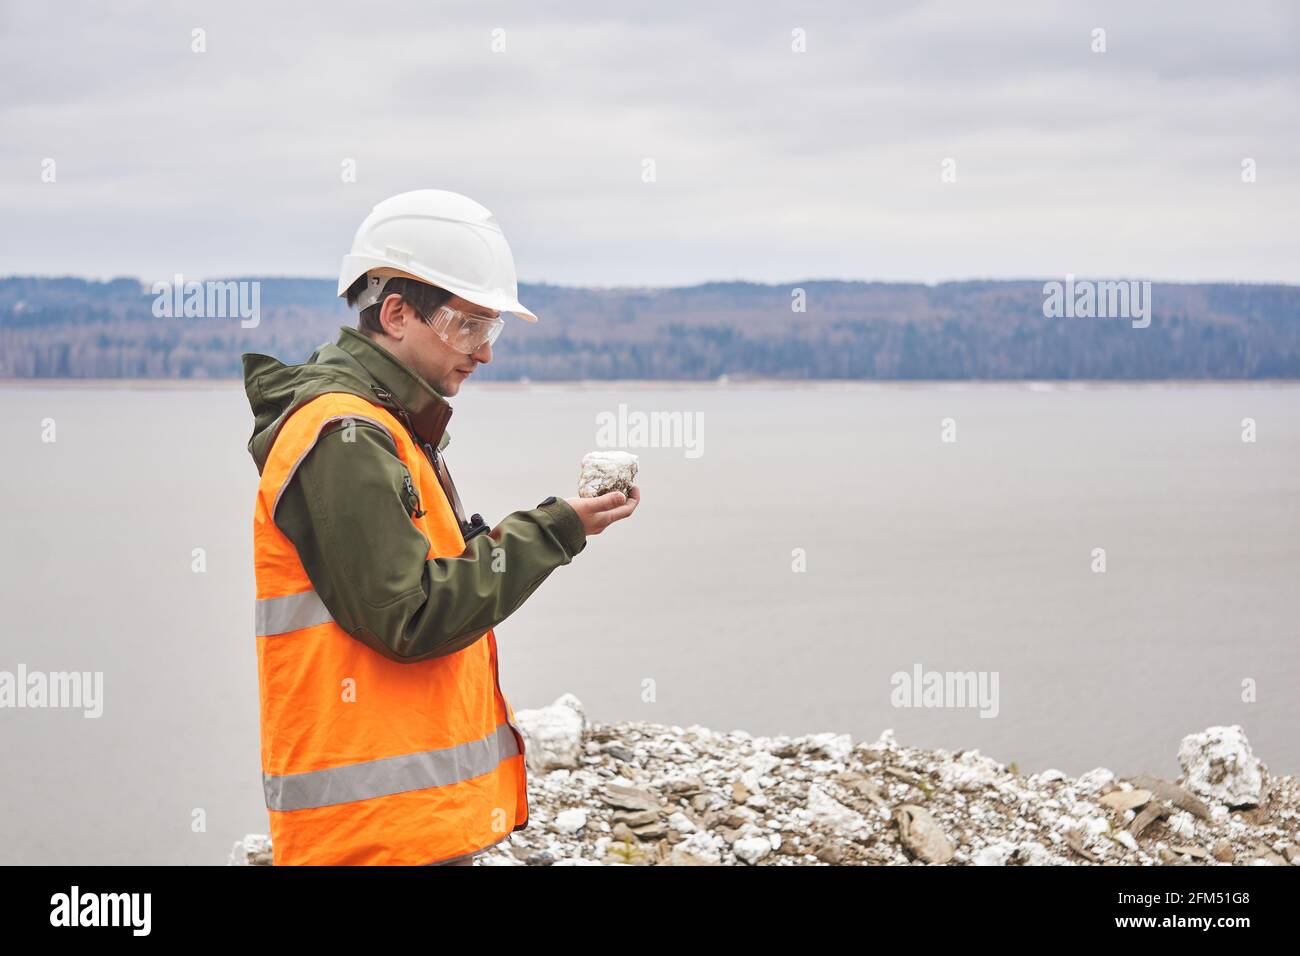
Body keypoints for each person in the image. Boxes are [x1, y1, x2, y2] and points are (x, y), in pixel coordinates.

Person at [241, 189, 639, 865]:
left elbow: (414, 582)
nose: (484, 353)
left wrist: (561, 525)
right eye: (469, 327)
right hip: (373, 837)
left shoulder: (385, 426)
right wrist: (552, 532)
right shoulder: (343, 435)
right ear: (396, 313)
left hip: (404, 827)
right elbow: (412, 617)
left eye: (494, 331)